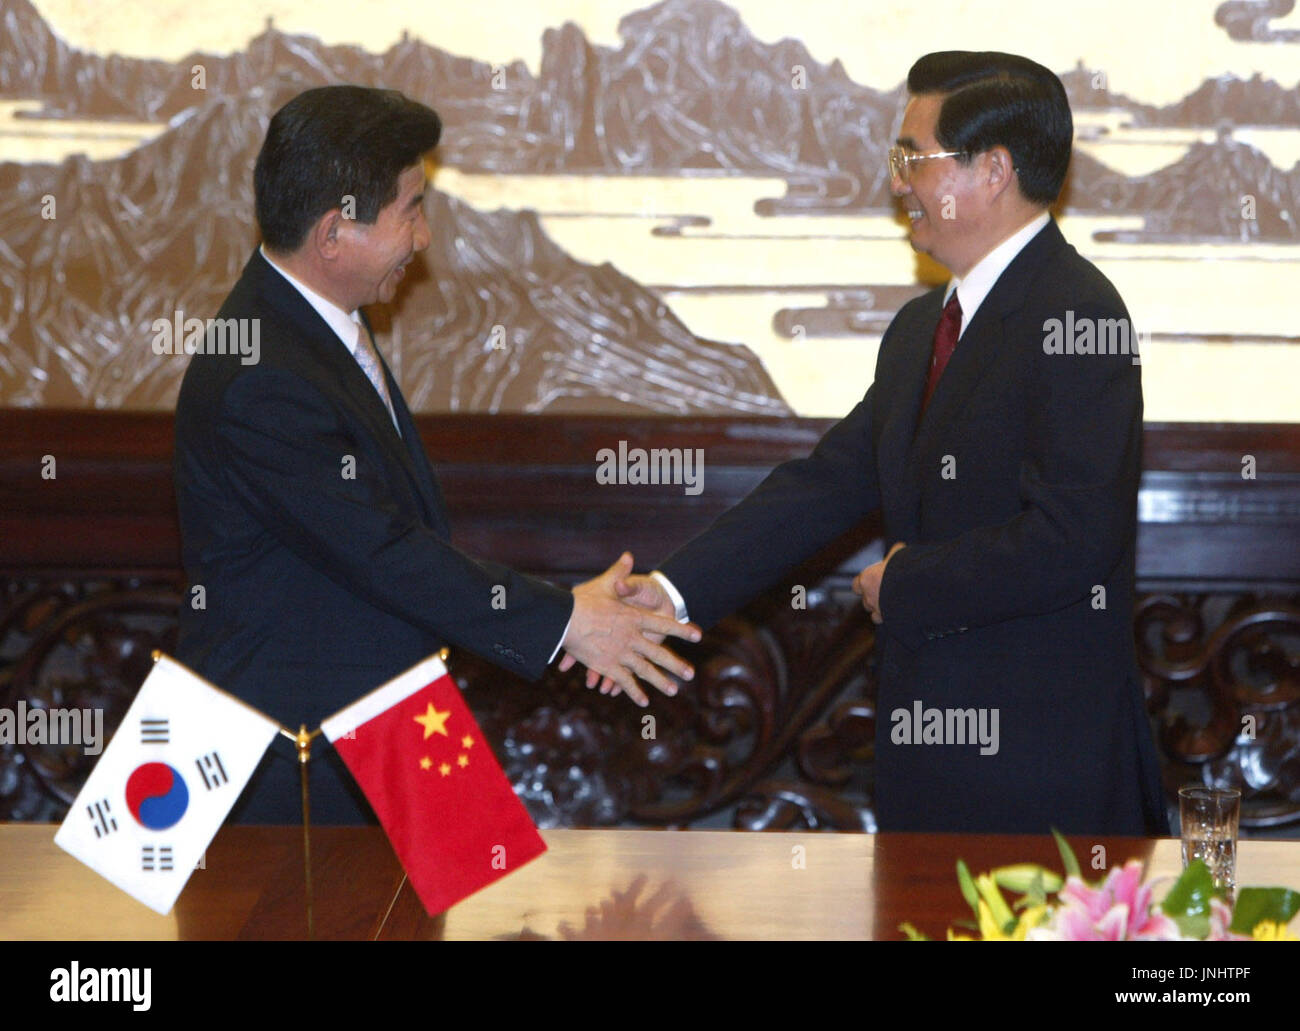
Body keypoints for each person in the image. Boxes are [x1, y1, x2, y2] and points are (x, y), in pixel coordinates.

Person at [583, 51, 1169, 836]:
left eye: (913, 158)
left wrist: (906, 583)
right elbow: (827, 483)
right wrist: (675, 591)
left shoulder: (1080, 315)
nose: (898, 183)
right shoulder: (921, 328)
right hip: (926, 761)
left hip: (1039, 770)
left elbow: (1074, 538)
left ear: (992, 170)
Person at [173, 85, 697, 824]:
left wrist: (566, 614)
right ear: (334, 232)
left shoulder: (314, 326)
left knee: (455, 911)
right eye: (411, 209)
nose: (423, 238)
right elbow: (380, 551)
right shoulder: (263, 376)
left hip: (386, 719)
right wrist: (564, 620)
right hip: (294, 761)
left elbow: (392, 541)